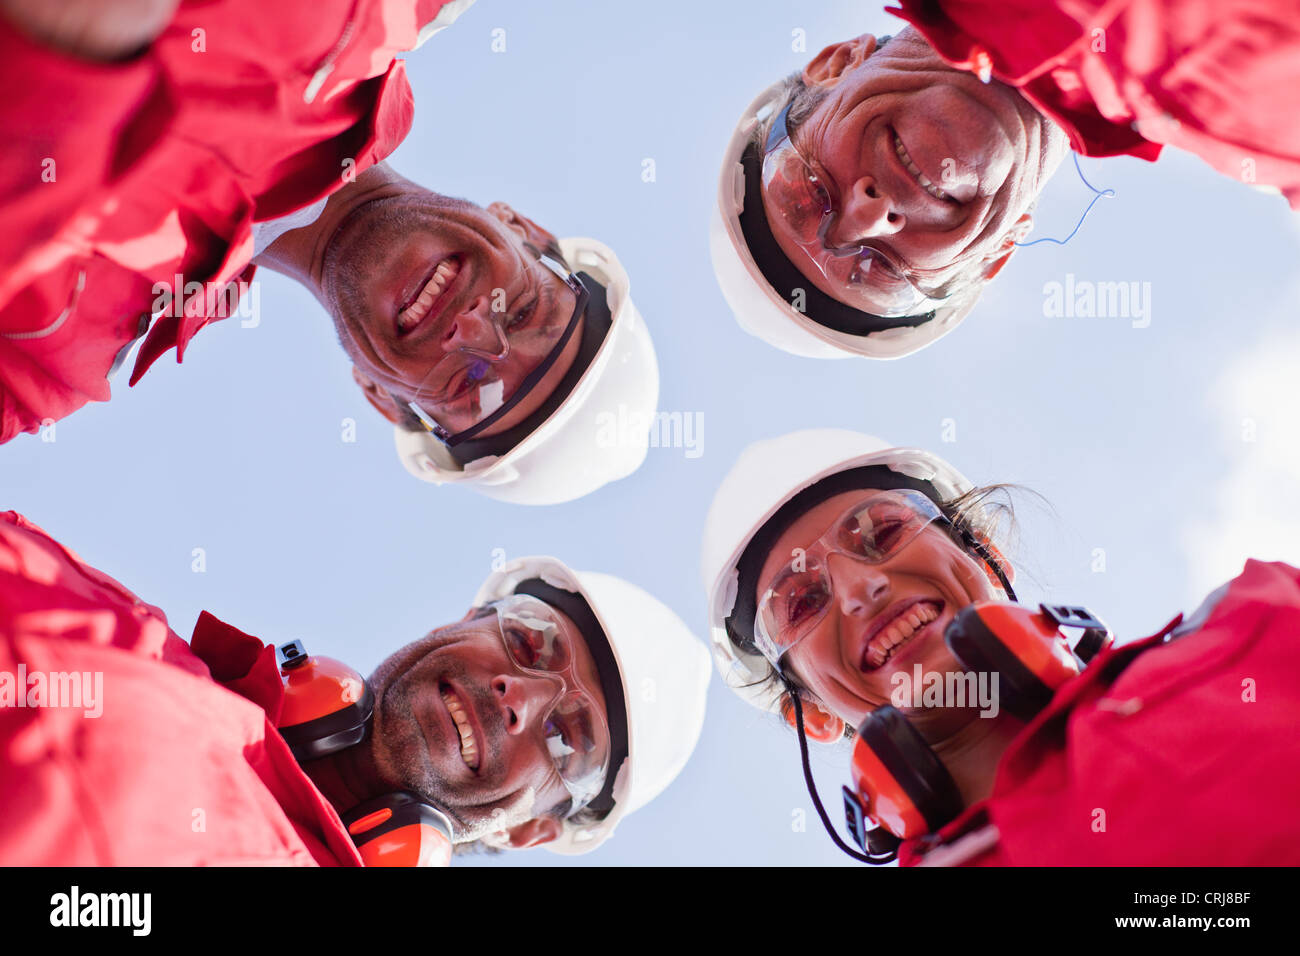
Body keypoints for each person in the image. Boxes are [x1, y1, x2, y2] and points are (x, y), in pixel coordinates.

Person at [0, 0, 658, 504]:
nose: (470, 328)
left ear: (379, 397)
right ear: (523, 226)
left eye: (474, 385)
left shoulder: (47, 361)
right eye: (523, 312)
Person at [700, 429, 1300, 865]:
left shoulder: (1264, 625)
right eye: (803, 601)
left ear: (989, 558)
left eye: (883, 531)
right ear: (815, 717)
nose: (861, 589)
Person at [0, 510, 711, 863]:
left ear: (531, 830)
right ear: (467, 620)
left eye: (567, 737)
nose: (517, 696)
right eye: (527, 642)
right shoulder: (112, 622)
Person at [711, 1, 1300, 359]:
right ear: (999, 252)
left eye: (809, 193)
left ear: (837, 63)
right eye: (882, 271)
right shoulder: (1275, 134)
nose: (869, 214)